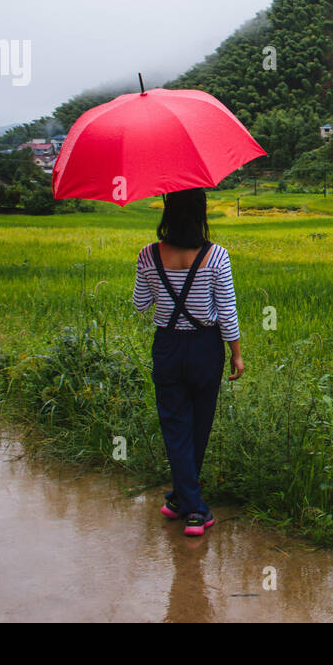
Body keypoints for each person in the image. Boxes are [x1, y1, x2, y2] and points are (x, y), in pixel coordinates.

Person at [133, 187, 243, 536]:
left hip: (167, 347)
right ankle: (196, 510)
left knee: (174, 426)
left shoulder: (148, 255)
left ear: (167, 211)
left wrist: (160, 286)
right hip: (205, 348)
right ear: (201, 212)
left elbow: (140, 304)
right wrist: (236, 353)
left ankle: (180, 498)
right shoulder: (217, 256)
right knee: (199, 425)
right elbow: (226, 311)